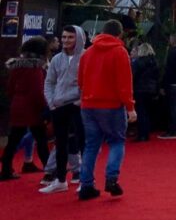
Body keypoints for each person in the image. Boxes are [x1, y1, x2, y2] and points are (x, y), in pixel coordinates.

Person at [77, 19, 136, 200]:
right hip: (111, 106)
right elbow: (124, 84)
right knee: (116, 142)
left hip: (88, 104)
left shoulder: (88, 53)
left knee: (91, 145)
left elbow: (80, 80)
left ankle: (86, 184)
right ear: (120, 34)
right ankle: (111, 178)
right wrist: (130, 107)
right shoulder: (119, 52)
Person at [39, 26, 86, 192]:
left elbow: (91, 81)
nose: (66, 40)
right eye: (64, 37)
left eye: (70, 37)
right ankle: (60, 180)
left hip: (78, 106)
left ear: (78, 38)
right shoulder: (57, 59)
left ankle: (84, 180)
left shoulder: (86, 57)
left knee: (82, 143)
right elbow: (49, 82)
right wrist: (51, 102)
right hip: (59, 106)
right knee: (60, 143)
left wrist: (82, 100)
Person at [1, 37, 50, 181]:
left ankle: (5, 169)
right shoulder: (36, 68)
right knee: (41, 140)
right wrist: (45, 107)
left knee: (13, 139)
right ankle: (50, 169)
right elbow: (37, 92)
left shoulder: (17, 67)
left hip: (17, 104)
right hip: (32, 108)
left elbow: (9, 89)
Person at [130, 43, 160, 143]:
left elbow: (133, 76)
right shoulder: (154, 62)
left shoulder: (138, 62)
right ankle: (146, 133)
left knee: (141, 111)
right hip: (151, 89)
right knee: (147, 111)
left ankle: (142, 134)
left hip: (140, 89)